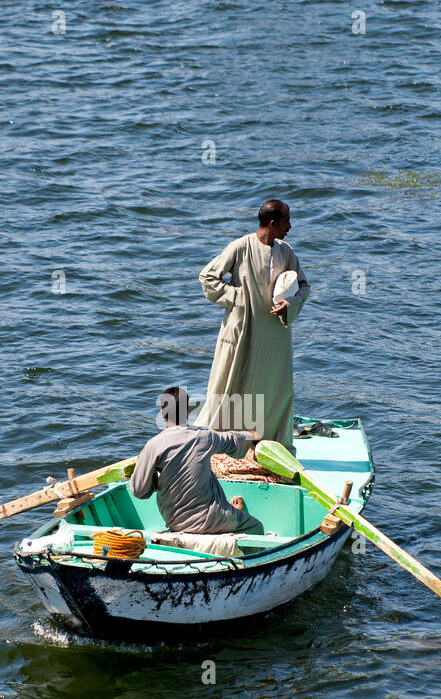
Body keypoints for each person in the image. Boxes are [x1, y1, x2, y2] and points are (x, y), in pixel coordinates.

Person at [196, 199, 310, 452]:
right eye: (286, 221)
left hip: (275, 335)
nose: (290, 226)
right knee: (232, 386)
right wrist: (237, 297)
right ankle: (223, 445)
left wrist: (288, 306)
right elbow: (207, 277)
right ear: (272, 222)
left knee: (274, 389)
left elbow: (303, 286)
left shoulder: (286, 252)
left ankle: (270, 445)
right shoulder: (240, 247)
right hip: (243, 331)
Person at [131, 387, 264, 535]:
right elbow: (233, 438)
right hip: (212, 519)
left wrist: (158, 479)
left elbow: (139, 491)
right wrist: (252, 435)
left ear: (162, 413)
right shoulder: (206, 437)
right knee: (256, 527)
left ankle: (230, 516)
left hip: (176, 522)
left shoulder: (153, 445)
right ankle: (230, 519)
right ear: (187, 412)